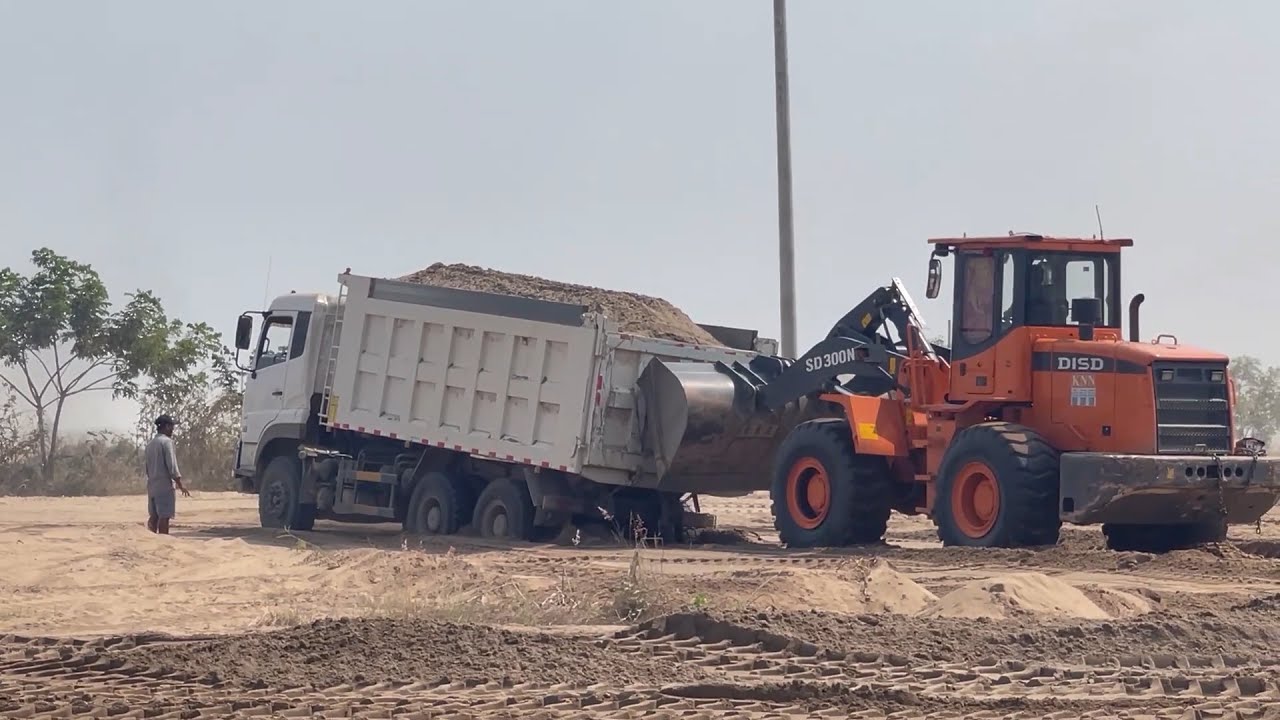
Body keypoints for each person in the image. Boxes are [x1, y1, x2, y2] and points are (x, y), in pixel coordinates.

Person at [145, 414, 190, 534]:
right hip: (164, 486)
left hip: (152, 485)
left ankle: (151, 539)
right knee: (164, 516)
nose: (173, 429)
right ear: (166, 426)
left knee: (154, 516)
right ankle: (163, 541)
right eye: (171, 426)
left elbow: (147, 469)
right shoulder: (167, 442)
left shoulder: (150, 444)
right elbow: (172, 466)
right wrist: (180, 484)